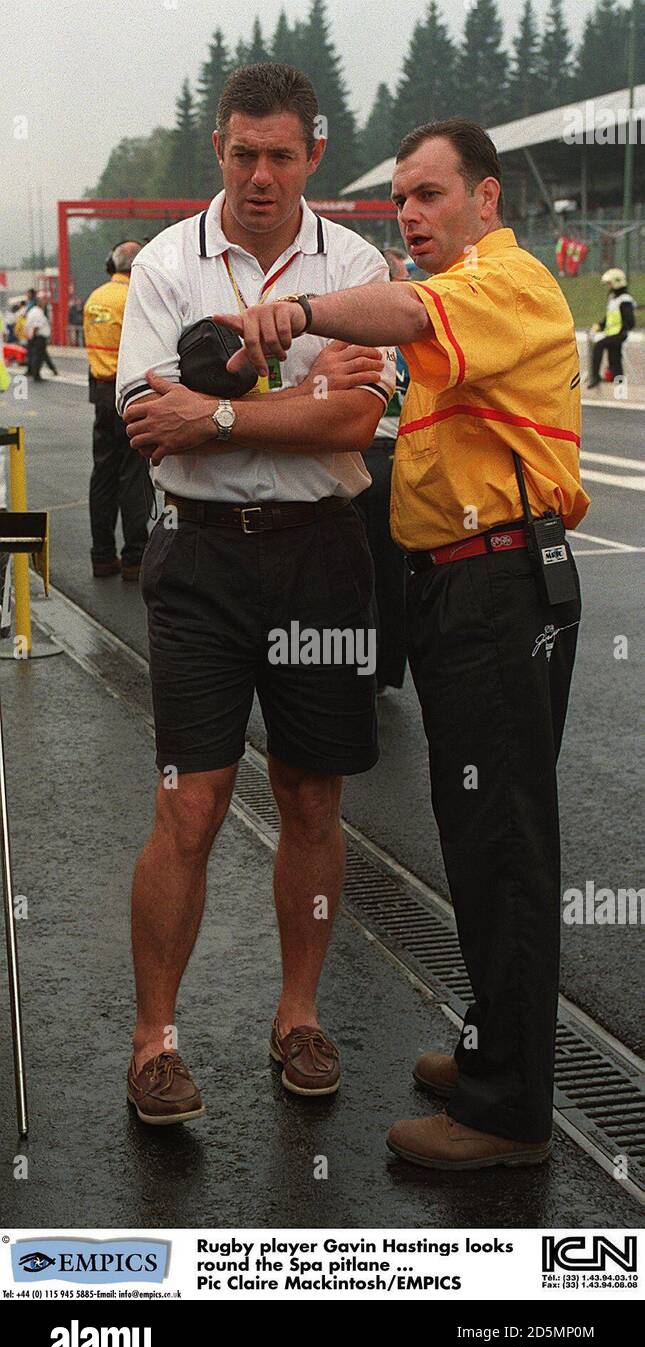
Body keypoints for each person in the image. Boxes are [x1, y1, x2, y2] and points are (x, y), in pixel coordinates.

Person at [212, 118, 591, 1172]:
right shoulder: (455, 312)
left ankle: (509, 1112)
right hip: (459, 589)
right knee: (476, 837)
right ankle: (489, 1048)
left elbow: (412, 306)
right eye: (402, 202)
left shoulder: (504, 285)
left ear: (488, 200)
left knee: (504, 849)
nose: (411, 216)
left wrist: (294, 309)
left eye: (431, 195)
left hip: (501, 588)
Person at [117, 62, 394, 1124]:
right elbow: (151, 418)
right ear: (218, 152)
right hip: (200, 563)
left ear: (314, 154)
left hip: (322, 552)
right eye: (244, 153)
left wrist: (220, 405)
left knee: (312, 799)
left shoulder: (359, 261)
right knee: (190, 802)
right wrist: (298, 387)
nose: (262, 173)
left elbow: (351, 425)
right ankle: (155, 1043)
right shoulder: (167, 264)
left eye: (283, 154)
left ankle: (298, 1014)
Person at [354, 249, 409, 693]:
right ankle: (389, 667)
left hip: (361, 455)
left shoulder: (359, 330)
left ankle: (361, 669)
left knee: (357, 571)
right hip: (403, 461)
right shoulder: (419, 332)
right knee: (395, 572)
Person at [83, 240, 150, 579]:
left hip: (100, 394)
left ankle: (102, 556)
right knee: (134, 476)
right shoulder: (135, 298)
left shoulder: (96, 298)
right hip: (129, 393)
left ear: (112, 264)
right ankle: (136, 557)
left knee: (103, 475)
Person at [587, 267, 636, 388]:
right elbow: (609, 319)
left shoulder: (624, 300)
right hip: (613, 334)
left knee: (599, 345)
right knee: (614, 357)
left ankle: (595, 377)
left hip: (619, 334)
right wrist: (599, 326)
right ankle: (618, 379)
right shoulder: (614, 299)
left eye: (609, 283)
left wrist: (622, 329)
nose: (608, 286)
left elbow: (630, 321)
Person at [24, 291, 55, 381]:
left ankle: (36, 372)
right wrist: (33, 335)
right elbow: (36, 326)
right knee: (39, 357)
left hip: (34, 337)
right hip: (38, 337)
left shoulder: (32, 311)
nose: (45, 302)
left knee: (38, 356)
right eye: (43, 300)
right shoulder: (38, 312)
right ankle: (36, 375)